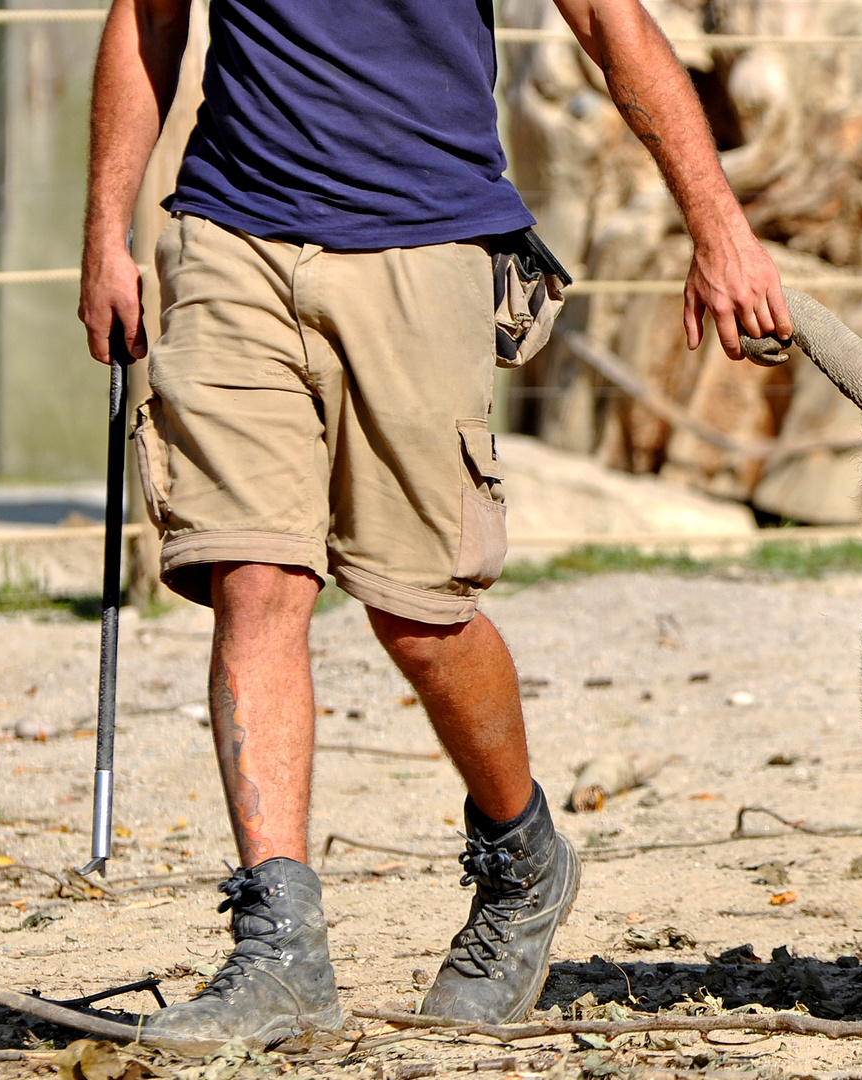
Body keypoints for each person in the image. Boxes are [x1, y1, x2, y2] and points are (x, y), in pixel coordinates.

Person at [77, 0, 791, 1045]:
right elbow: (146, 22)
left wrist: (718, 227)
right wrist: (105, 232)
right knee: (255, 578)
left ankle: (522, 855)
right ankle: (280, 953)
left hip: (425, 243)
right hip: (231, 236)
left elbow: (610, 23)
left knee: (420, 615)